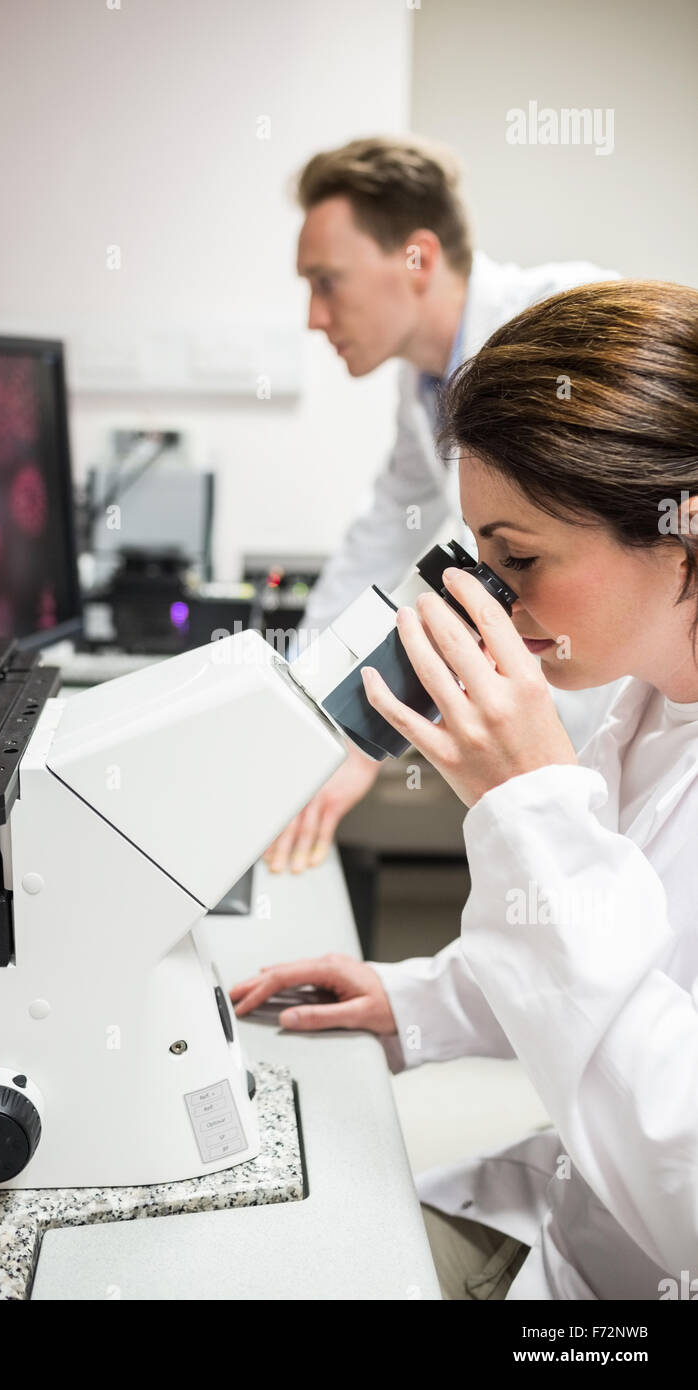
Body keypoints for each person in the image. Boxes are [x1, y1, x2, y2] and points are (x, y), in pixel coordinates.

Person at [233, 280, 698, 1300]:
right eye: (479, 554)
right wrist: (415, 1000)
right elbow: (626, 963)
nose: (488, 598)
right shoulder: (653, 703)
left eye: (517, 557)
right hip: (569, 1219)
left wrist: (533, 806)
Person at [266, 135, 619, 874]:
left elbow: (488, 554)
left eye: (327, 281)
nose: (313, 315)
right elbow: (384, 531)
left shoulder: (555, 323)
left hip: (621, 689)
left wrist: (358, 727)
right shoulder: (423, 380)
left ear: (417, 258)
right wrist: (297, 693)